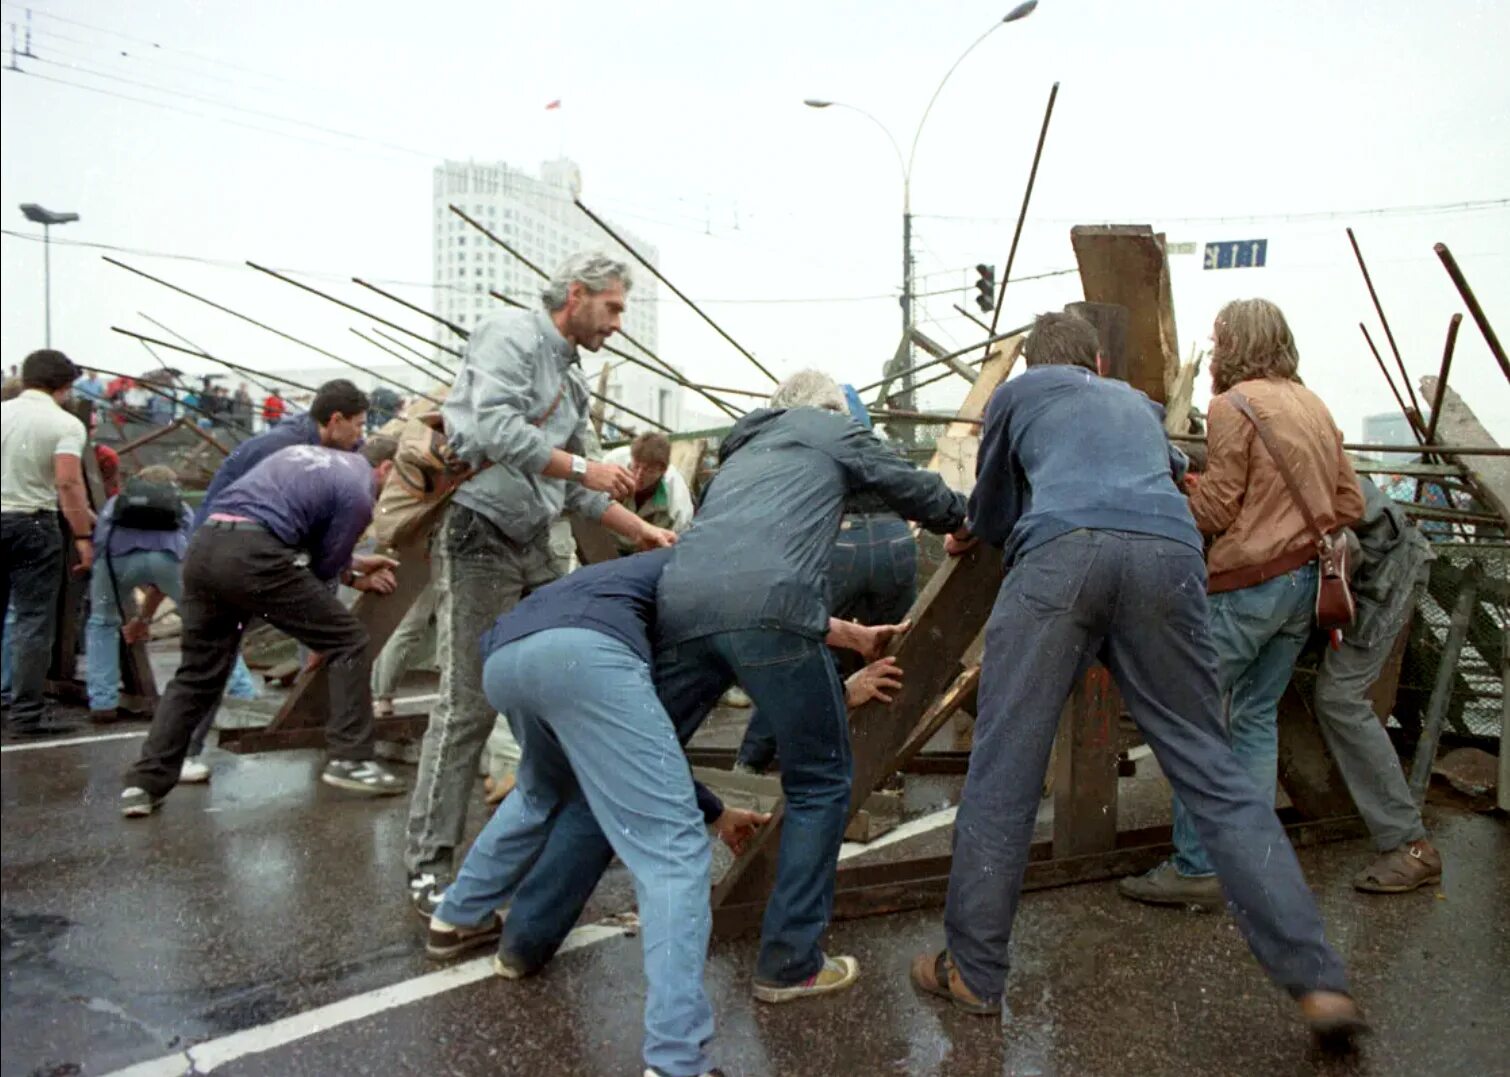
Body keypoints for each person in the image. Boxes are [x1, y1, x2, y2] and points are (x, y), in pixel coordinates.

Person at [906, 311, 1363, 1044]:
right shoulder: (1137, 407)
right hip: (1168, 557)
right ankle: (1318, 981)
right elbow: (1180, 474)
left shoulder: (1019, 398)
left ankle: (975, 970)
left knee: (1005, 768)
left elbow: (989, 515)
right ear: (1097, 359)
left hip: (1062, 555)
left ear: (1034, 365)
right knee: (1211, 767)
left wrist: (971, 524)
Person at [550, 368, 962, 1004]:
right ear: (831, 412)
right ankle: (790, 963)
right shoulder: (830, 428)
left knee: (629, 761)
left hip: (682, 602)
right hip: (774, 610)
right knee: (822, 779)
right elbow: (905, 482)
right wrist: (960, 519)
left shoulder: (741, 451)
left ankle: (529, 936)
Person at [403, 251, 679, 911]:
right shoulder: (513, 336)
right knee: (469, 704)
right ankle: (428, 866)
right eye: (611, 307)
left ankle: (545, 849)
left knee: (568, 687)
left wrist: (642, 532)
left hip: (536, 542)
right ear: (576, 295)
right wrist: (584, 470)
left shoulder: (572, 378)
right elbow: (492, 429)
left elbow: (579, 486)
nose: (617, 323)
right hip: (480, 536)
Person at [1120, 298, 1365, 908]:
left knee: (1191, 722)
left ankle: (1198, 867)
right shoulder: (1312, 403)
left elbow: (1217, 509)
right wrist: (1280, 518)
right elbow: (1349, 502)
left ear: (1235, 345)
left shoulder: (1233, 405)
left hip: (1247, 589)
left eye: (1220, 339)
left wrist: (1171, 497)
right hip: (1304, 589)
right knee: (1254, 721)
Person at [120, 438, 406, 816]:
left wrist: (353, 568)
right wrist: (322, 629)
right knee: (349, 640)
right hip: (253, 556)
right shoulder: (360, 491)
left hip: (205, 549)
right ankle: (351, 758)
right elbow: (321, 569)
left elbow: (286, 526)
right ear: (384, 468)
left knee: (197, 675)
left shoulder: (303, 456)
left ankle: (144, 785)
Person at [735, 384, 917, 773]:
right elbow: (912, 487)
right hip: (896, 540)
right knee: (892, 652)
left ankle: (752, 759)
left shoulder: (801, 444)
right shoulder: (871, 439)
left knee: (800, 649)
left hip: (842, 542)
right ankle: (884, 766)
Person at [1317, 476, 1442, 892]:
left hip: (1386, 570)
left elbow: (1349, 542)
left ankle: (1411, 846)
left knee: (1340, 698)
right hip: (1373, 562)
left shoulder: (1253, 448)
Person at [1, 350, 94, 737]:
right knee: (32, 620)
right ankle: (25, 715)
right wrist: (84, 536)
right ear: (66, 386)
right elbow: (67, 482)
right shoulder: (65, 424)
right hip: (33, 522)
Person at [603, 432, 695, 554]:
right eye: (636, 466)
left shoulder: (677, 498)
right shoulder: (610, 464)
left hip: (648, 553)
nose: (639, 475)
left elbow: (680, 540)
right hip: (606, 544)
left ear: (662, 470)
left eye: (648, 470)